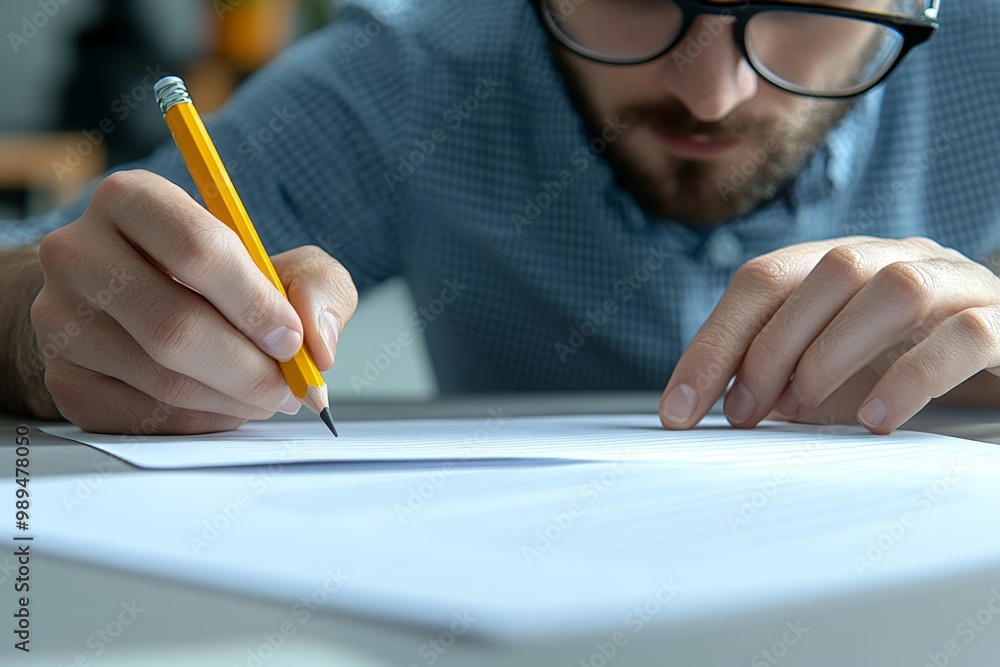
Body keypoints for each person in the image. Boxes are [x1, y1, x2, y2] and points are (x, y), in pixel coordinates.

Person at [1, 0, 997, 436]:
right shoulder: (413, 78)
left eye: (811, 3)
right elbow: (28, 270)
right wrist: (49, 331)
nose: (713, 95)